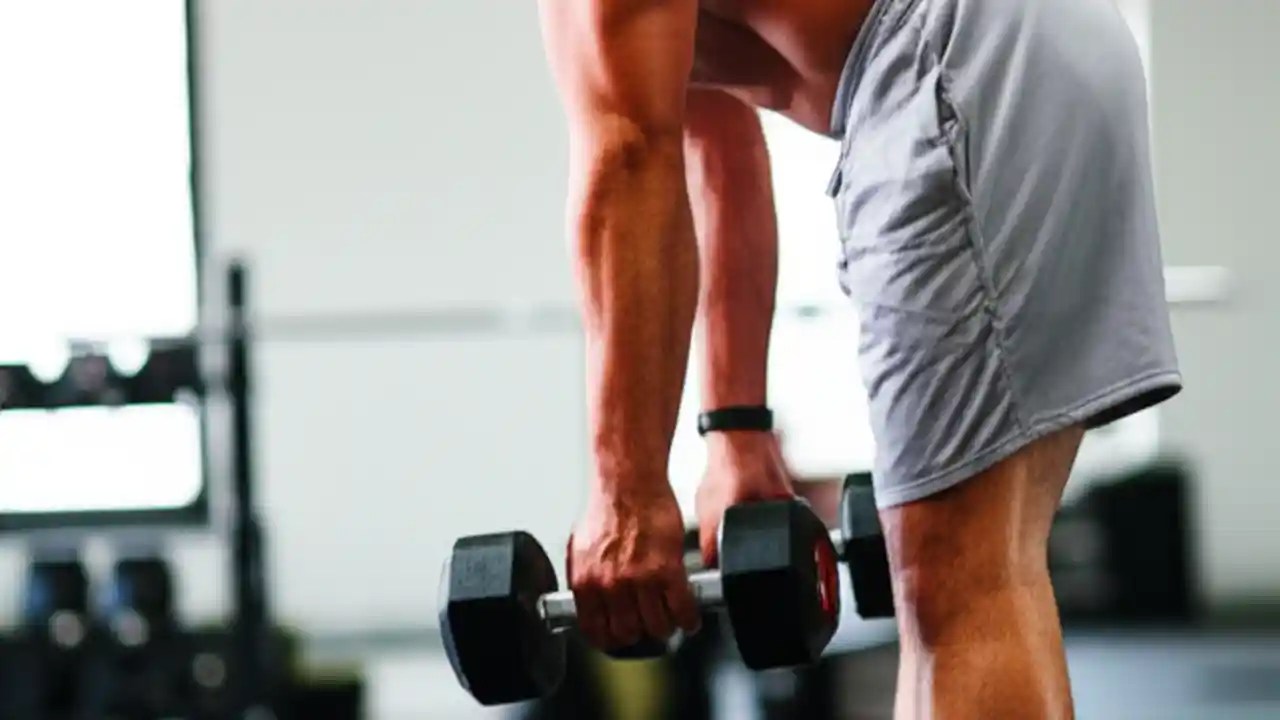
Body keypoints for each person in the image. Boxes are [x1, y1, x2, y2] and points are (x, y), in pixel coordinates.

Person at [536, 0, 1181, 716]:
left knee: (959, 580)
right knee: (963, 574)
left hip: (954, 58)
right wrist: (736, 435)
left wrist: (626, 495)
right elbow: (716, 152)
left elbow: (628, 160)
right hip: (1014, 49)